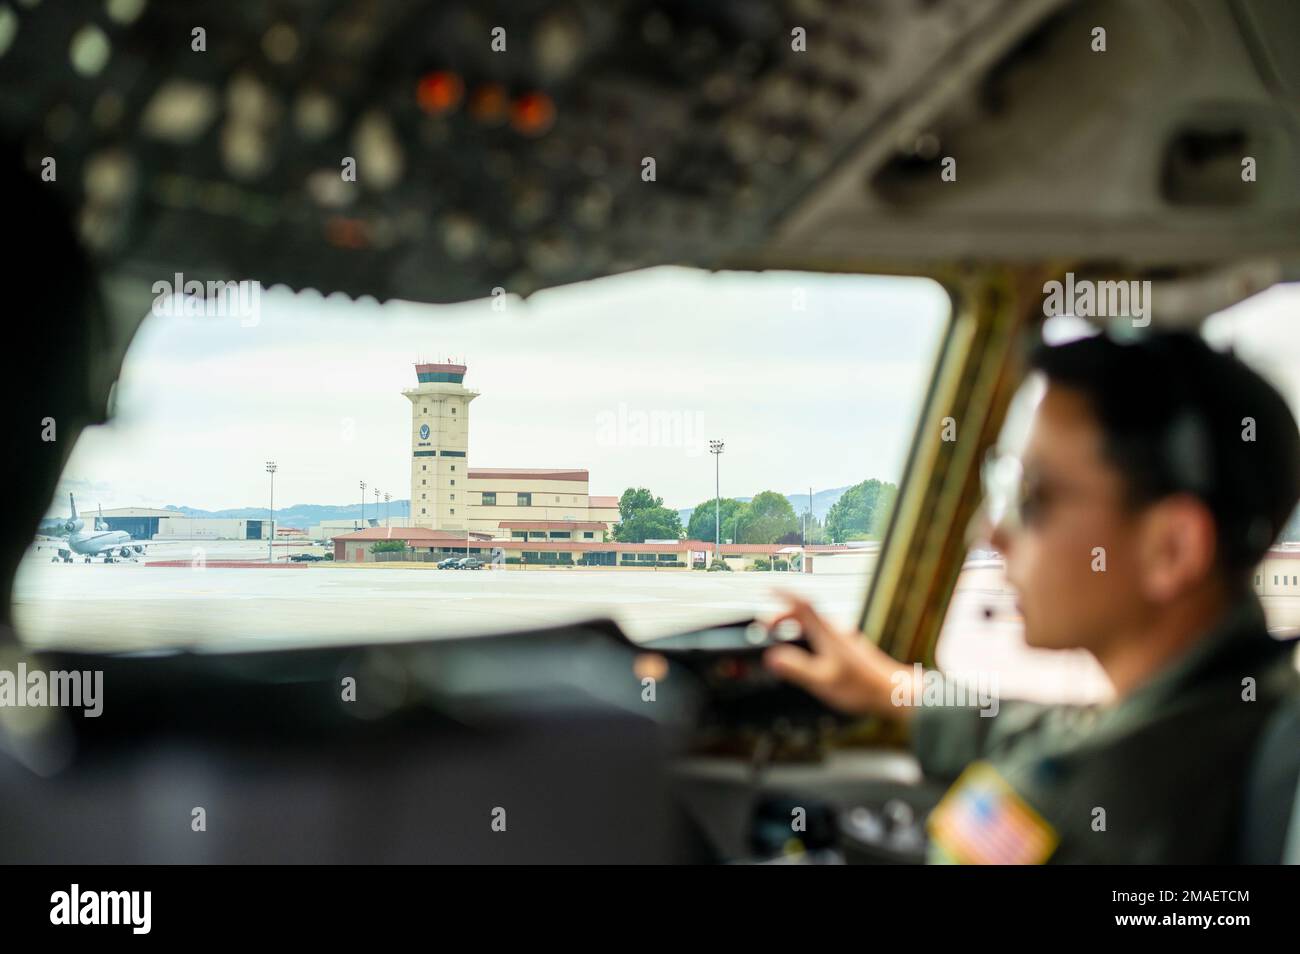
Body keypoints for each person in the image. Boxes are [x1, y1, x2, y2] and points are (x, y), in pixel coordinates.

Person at [764, 330, 1300, 863]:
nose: (991, 534)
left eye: (1033, 497)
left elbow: (1059, 759)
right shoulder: (1240, 703)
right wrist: (894, 688)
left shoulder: (1076, 812)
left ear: (1174, 549)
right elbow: (1051, 729)